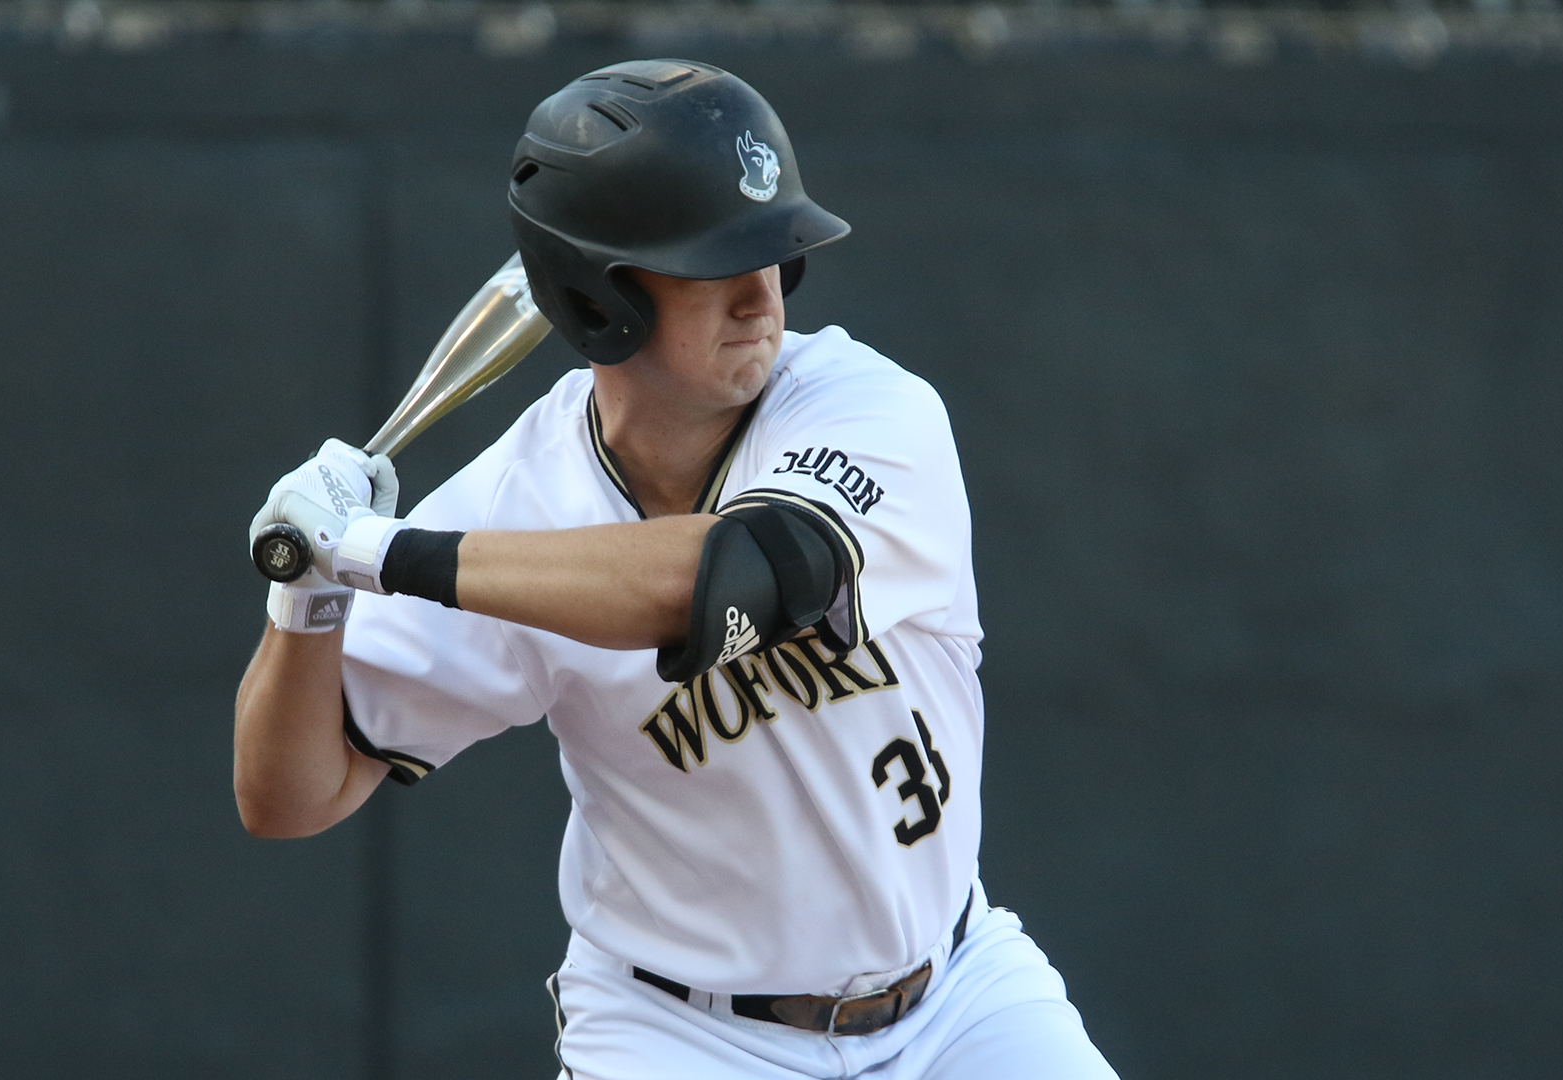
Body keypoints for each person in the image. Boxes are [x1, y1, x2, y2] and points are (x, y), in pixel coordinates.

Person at [234, 60, 1119, 1080]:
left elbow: (727, 581)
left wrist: (371, 551)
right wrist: (306, 595)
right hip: (681, 1035)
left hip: (956, 1000)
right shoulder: (509, 512)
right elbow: (289, 797)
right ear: (601, 299)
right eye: (714, 260)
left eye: (774, 251)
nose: (759, 295)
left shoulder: (871, 410)